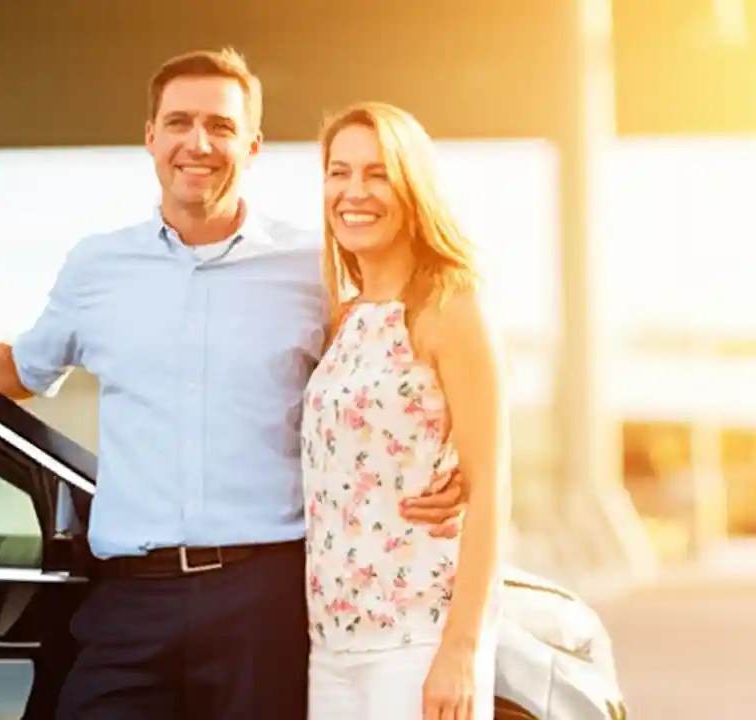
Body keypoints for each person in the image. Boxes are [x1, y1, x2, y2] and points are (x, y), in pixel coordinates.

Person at [0, 49, 464, 719]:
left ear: (253, 146)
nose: (197, 144)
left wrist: (461, 452)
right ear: (150, 136)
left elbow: (390, 369)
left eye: (221, 127)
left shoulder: (313, 268)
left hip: (263, 604)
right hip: (127, 604)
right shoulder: (97, 267)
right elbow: (12, 371)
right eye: (179, 122)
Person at [302, 102, 508, 720]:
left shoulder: (450, 304)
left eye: (377, 173)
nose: (353, 192)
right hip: (331, 645)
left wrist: (461, 652)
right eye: (339, 172)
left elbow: (493, 491)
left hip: (418, 639)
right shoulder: (343, 317)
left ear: (412, 186)